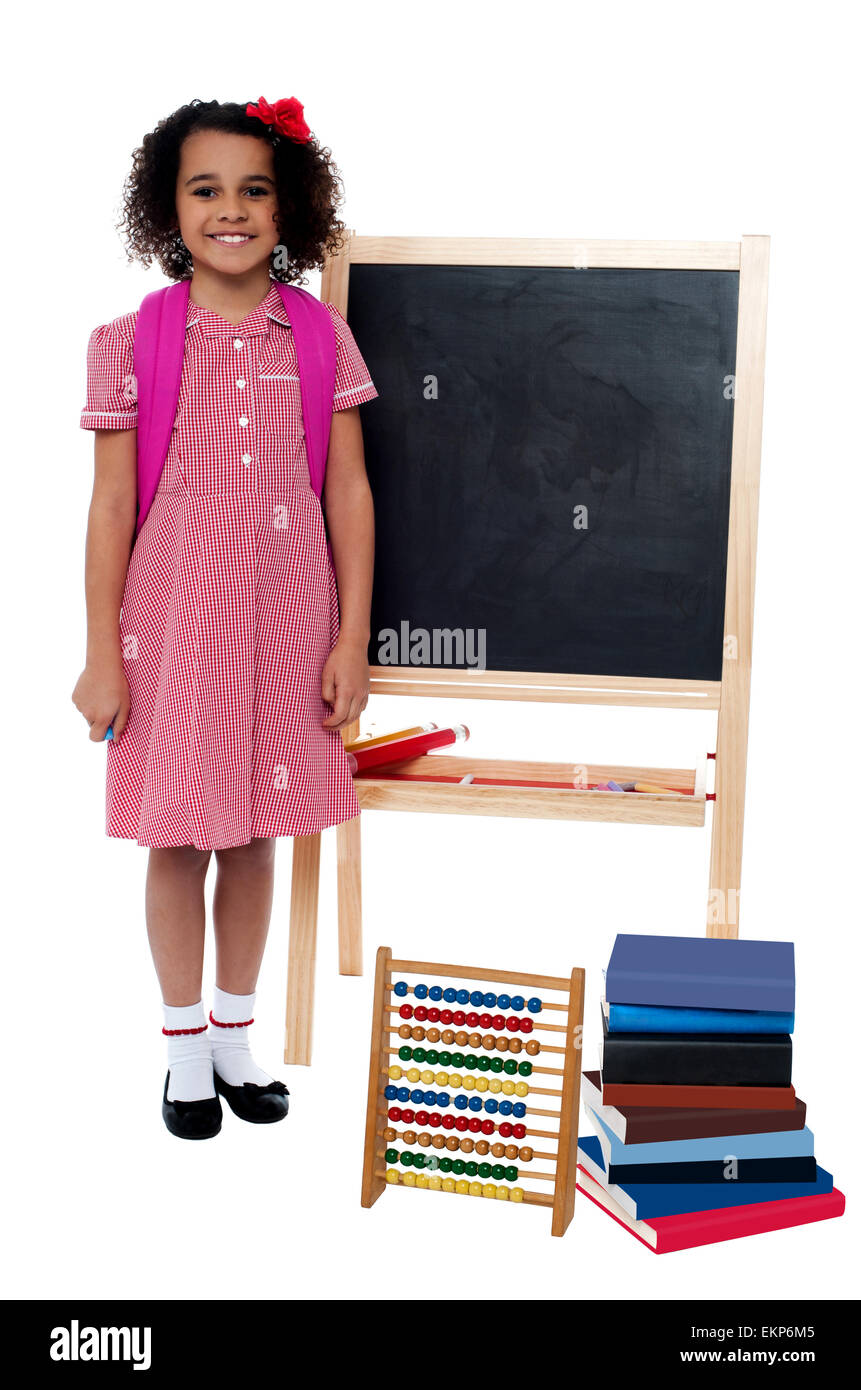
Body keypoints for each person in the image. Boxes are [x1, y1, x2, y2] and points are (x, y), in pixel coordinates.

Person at [71, 96, 377, 1139]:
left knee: (254, 839)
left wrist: (350, 637)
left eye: (254, 189)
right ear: (169, 207)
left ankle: (238, 1036)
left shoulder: (321, 336)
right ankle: (182, 1047)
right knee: (179, 837)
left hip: (289, 616)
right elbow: (113, 506)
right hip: (172, 621)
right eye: (206, 189)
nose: (231, 210)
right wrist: (100, 655)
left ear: (288, 205)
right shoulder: (129, 341)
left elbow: (347, 493)